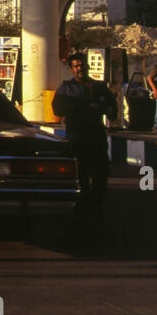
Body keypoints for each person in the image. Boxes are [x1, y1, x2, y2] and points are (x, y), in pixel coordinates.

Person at [52, 52, 117, 220]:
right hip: (77, 136)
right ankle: (83, 205)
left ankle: (96, 205)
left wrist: (105, 109)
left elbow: (112, 107)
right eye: (76, 66)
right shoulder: (66, 88)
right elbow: (58, 109)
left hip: (97, 136)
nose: (80, 68)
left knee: (101, 173)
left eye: (82, 65)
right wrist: (88, 106)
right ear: (71, 69)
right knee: (82, 173)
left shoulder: (99, 86)